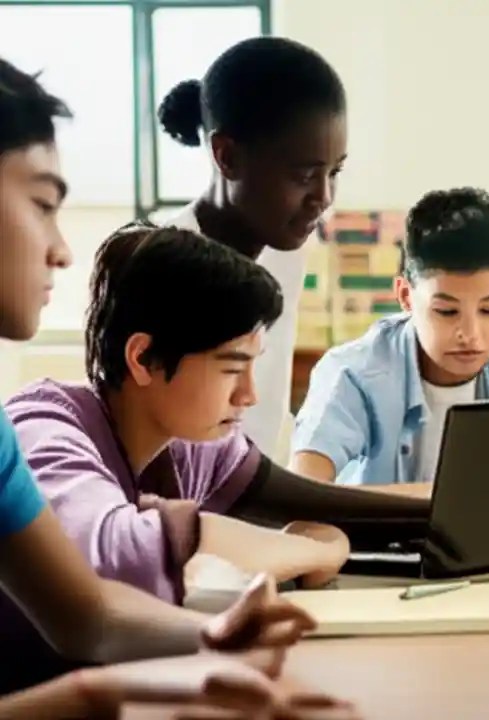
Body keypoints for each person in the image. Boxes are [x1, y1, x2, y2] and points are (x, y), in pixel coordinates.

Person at [0, 56, 353, 715]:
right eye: (43, 205)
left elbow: (88, 614)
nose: (61, 249)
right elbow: (112, 561)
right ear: (143, 360)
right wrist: (304, 548)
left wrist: (213, 645)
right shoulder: (42, 425)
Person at [289, 187, 489, 486]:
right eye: (446, 311)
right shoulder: (353, 373)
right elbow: (305, 489)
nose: (471, 334)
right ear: (405, 296)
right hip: (378, 534)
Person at [157, 35, 347, 459]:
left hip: (252, 496)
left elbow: (259, 434)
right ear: (226, 156)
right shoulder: (157, 263)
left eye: (334, 172)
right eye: (303, 175)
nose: (325, 196)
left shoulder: (286, 248)